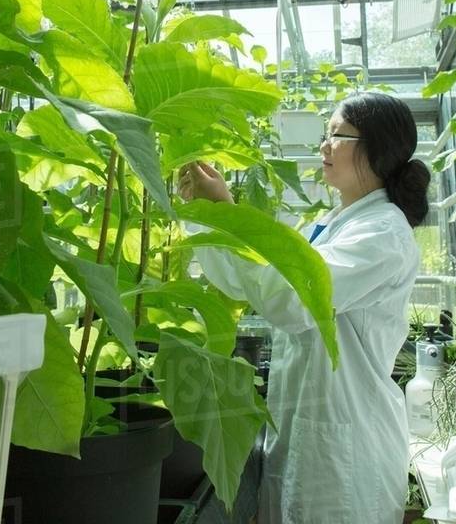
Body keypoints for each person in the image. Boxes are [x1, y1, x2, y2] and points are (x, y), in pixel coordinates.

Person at [179, 92, 431, 524]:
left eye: (338, 135)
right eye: (325, 135)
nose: (324, 146)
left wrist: (225, 209)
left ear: (377, 148)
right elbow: (249, 280)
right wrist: (207, 214)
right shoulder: (334, 224)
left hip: (346, 444)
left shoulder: (383, 233)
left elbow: (293, 298)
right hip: (311, 430)